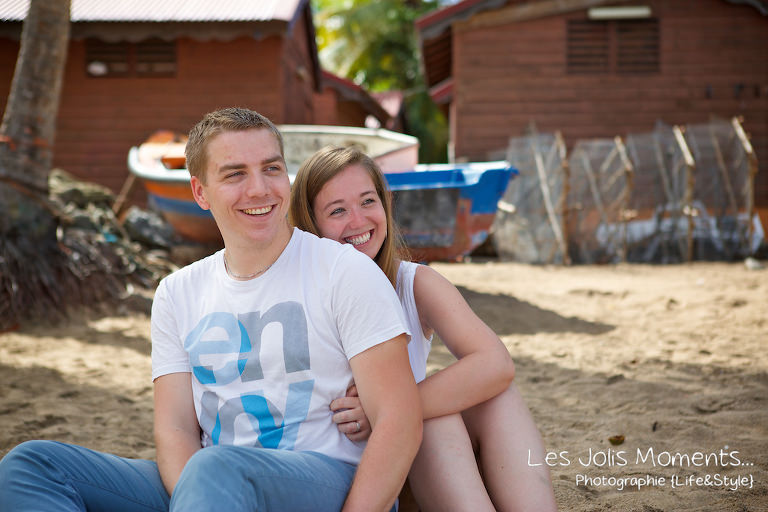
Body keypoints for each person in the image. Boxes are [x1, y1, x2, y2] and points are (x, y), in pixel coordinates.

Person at [0, 108, 422, 512]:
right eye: (235, 174)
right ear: (200, 192)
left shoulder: (343, 271)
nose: (259, 188)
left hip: (327, 482)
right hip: (211, 486)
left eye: (272, 169)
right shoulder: (177, 293)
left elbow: (397, 419)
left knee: (216, 467)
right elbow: (176, 429)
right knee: (34, 465)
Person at [289, 146, 557, 512]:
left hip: (412, 458)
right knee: (431, 418)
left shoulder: (412, 282)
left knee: (491, 397)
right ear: (309, 223)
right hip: (343, 468)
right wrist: (394, 414)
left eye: (368, 201)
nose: (358, 220)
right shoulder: (293, 293)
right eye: (337, 210)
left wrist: (384, 410)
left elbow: (496, 363)